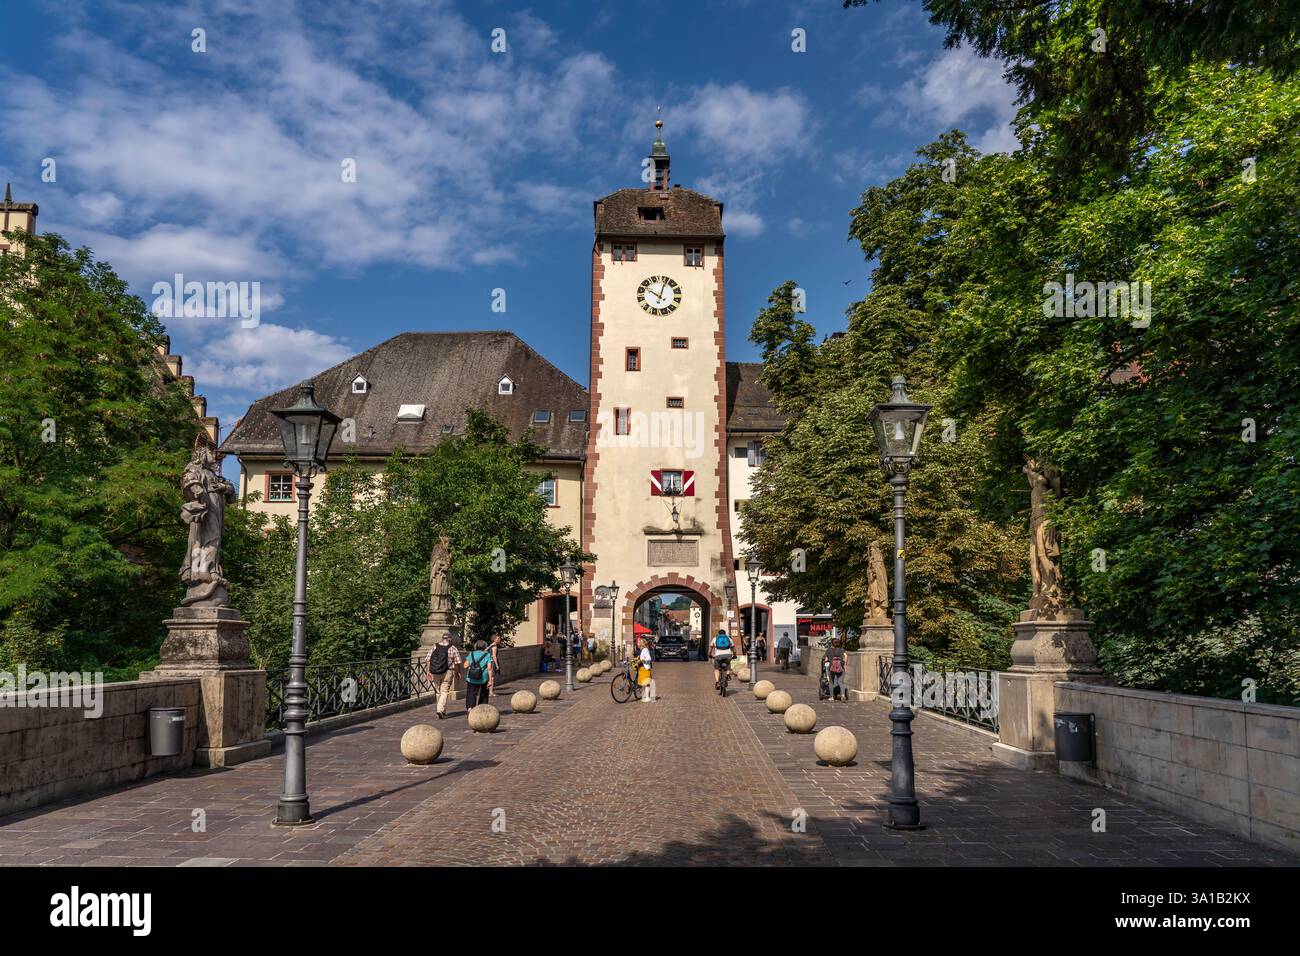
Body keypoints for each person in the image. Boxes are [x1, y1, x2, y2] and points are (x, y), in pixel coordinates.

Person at [426, 631, 461, 719]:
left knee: (438, 692)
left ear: (442, 639)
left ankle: (442, 710)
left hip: (435, 671)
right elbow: (457, 662)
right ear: (451, 639)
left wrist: (428, 671)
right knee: (444, 691)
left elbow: (428, 659)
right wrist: (458, 672)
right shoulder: (453, 648)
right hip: (448, 671)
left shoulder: (435, 646)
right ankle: (440, 710)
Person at [464, 639, 494, 709]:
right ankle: (482, 708)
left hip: (471, 677)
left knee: (471, 693)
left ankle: (470, 708)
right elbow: (489, 668)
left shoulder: (471, 654)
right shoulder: (488, 655)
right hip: (484, 677)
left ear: (476, 646)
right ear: (485, 647)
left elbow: (465, 666)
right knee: (484, 694)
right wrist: (490, 680)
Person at [827, 636, 847, 701]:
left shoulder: (829, 650)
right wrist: (845, 664)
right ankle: (843, 695)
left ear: (832, 644)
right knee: (841, 682)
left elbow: (826, 659)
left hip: (831, 668)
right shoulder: (842, 649)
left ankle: (831, 697)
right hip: (841, 667)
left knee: (831, 682)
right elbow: (846, 656)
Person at [637, 636, 656, 703]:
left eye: (639, 642)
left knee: (646, 683)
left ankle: (647, 697)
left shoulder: (645, 650)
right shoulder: (643, 650)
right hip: (642, 669)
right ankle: (646, 696)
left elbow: (649, 659)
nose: (637, 643)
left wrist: (641, 661)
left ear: (642, 643)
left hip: (645, 669)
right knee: (644, 684)